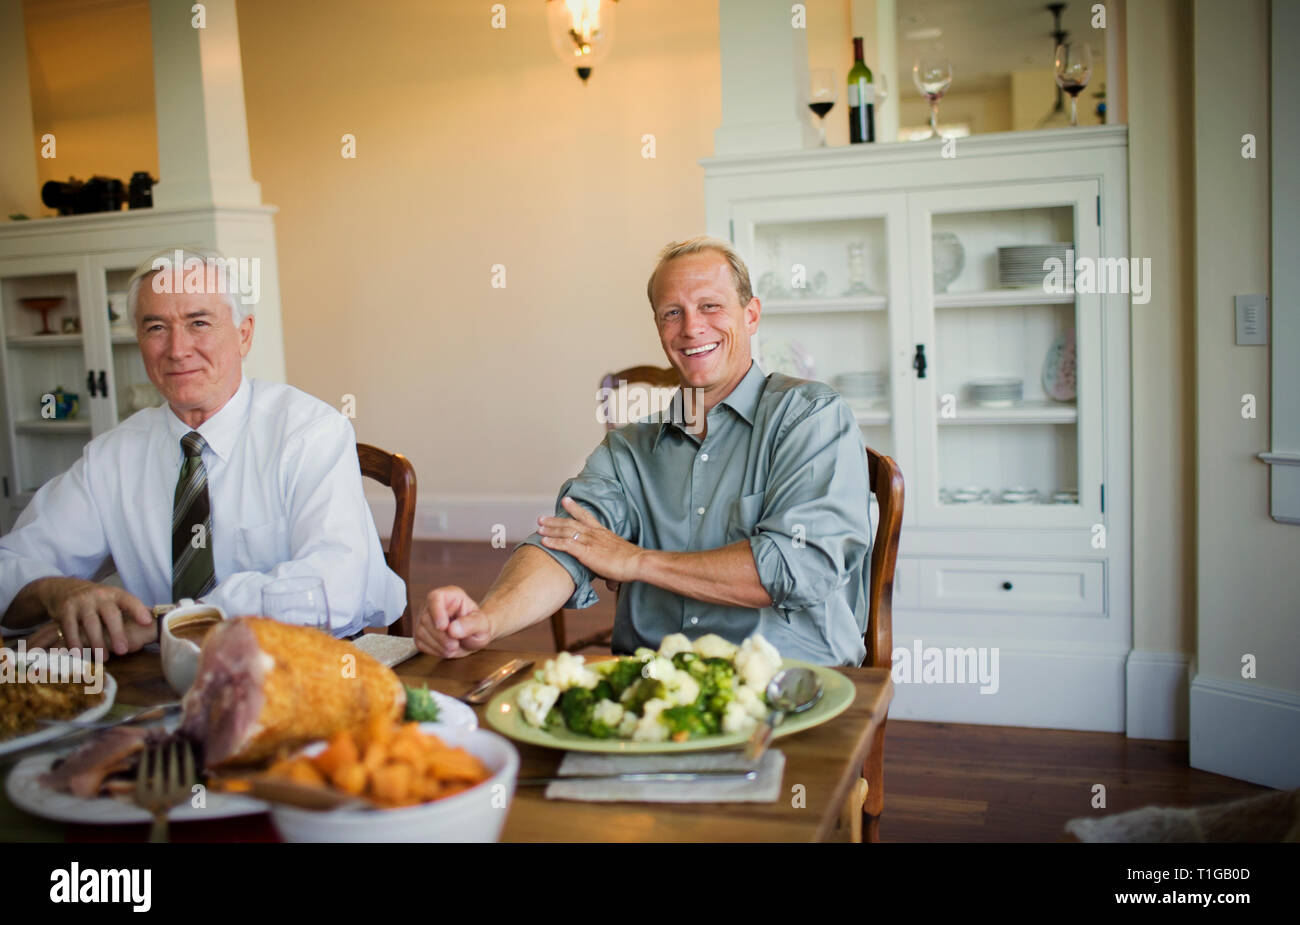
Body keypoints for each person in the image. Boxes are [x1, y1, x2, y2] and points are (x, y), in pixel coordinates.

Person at [415, 236, 873, 666]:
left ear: (751, 315)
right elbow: (564, 544)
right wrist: (486, 620)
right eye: (671, 313)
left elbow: (799, 564)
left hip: (787, 683)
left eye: (710, 306)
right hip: (650, 684)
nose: (692, 328)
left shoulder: (809, 417)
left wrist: (635, 560)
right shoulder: (629, 448)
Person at [0, 248, 404, 656]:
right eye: (156, 327)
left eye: (198, 323)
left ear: (244, 334)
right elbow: (10, 563)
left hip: (293, 672)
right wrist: (56, 591)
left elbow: (338, 582)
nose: (177, 349)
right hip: (152, 690)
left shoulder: (309, 432)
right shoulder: (111, 457)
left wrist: (171, 623)